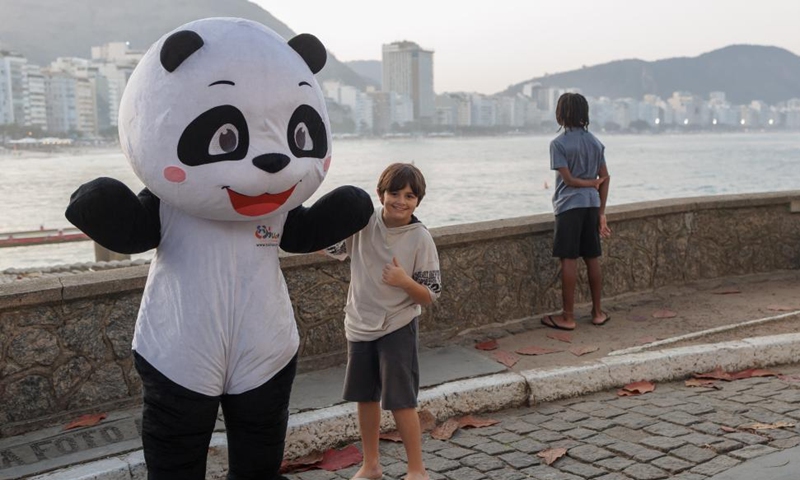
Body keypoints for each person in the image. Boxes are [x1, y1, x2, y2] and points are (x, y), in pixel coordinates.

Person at [325, 163, 441, 480]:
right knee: (365, 397)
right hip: (360, 323)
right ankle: (371, 464)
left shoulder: (420, 238)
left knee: (402, 401)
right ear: (380, 194)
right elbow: (331, 247)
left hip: (398, 326)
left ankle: (417, 469)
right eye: (394, 193)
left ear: (418, 201)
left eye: (409, 196)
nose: (400, 201)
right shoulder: (363, 224)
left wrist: (404, 281)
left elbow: (430, 295)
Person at [541, 92, 612, 331]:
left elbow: (569, 180)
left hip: (569, 207)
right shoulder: (595, 142)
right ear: (585, 114)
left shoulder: (558, 144)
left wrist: (589, 183)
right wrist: (601, 212)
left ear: (560, 114)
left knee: (569, 259)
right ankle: (598, 312)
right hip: (592, 205)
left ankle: (568, 317)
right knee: (592, 257)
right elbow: (605, 177)